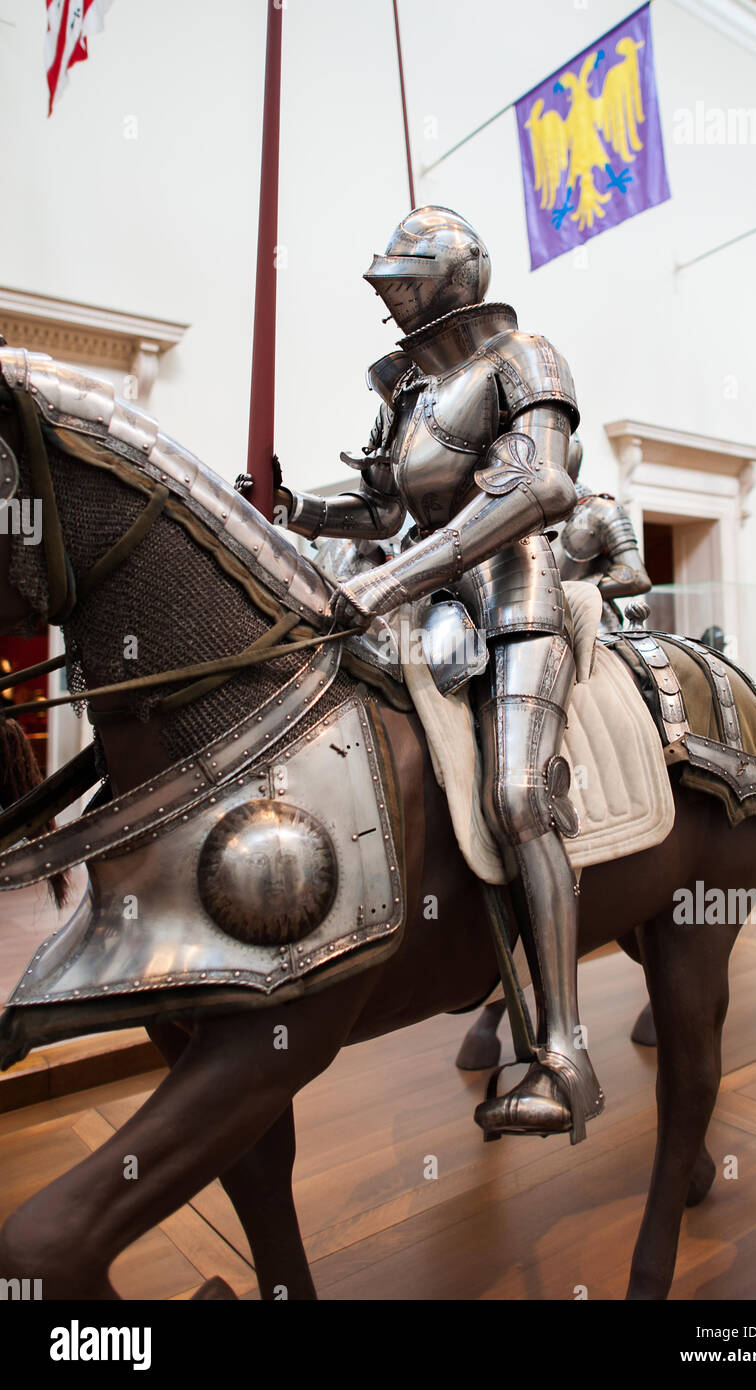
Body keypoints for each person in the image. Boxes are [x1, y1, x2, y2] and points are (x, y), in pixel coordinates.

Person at [241, 206, 603, 1142]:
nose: (389, 296)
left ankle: (563, 1054)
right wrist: (296, 509)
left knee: (520, 795)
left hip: (514, 599)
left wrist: (399, 574)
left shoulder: (526, 358)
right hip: (423, 611)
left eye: (403, 278)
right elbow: (378, 507)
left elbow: (540, 488)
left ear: (452, 277)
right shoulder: (406, 391)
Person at [555, 434, 651, 632]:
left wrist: (573, 589)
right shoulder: (534, 517)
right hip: (539, 619)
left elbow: (636, 577)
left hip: (589, 622)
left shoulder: (603, 511)